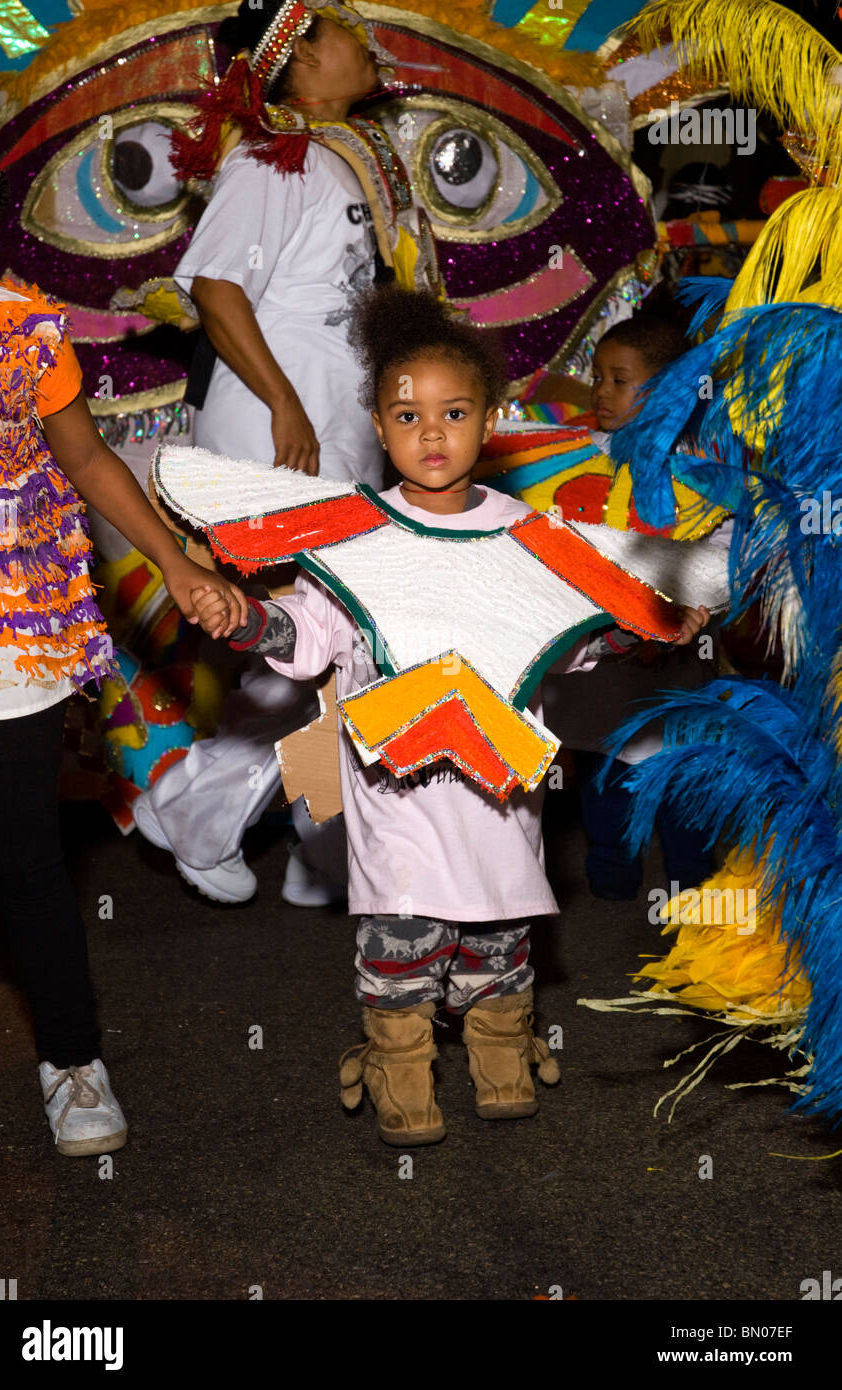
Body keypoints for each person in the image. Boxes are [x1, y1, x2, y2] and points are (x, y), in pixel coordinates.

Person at [189, 288, 711, 1146]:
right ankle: (401, 1070)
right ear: (379, 425)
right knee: (401, 941)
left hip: (501, 796)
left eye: (454, 412)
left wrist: (646, 629)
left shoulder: (534, 539)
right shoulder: (349, 534)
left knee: (499, 938)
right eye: (407, 414)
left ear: (489, 420)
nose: (431, 433)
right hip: (396, 797)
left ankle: (501, 1054)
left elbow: (569, 644)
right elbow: (309, 632)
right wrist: (243, 616)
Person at [0, 136, 247, 1155]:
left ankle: (73, 1058)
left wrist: (177, 564)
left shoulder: (18, 329)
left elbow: (85, 458)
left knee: (23, 865)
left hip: (7, 649)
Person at [133, 0, 420, 906]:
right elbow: (217, 290)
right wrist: (287, 403)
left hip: (334, 436)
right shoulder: (270, 162)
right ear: (298, 61)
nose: (364, 44)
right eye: (343, 33)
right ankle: (197, 813)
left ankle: (315, 848)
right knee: (326, 644)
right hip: (278, 438)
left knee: (328, 647)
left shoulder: (352, 164)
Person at [543, 314, 729, 900]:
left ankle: (691, 885)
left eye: (619, 380)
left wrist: (679, 606)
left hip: (674, 654)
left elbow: (723, 550)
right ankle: (613, 871)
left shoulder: (700, 468)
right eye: (597, 377)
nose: (600, 392)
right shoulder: (573, 462)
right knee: (603, 766)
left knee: (679, 774)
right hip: (598, 664)